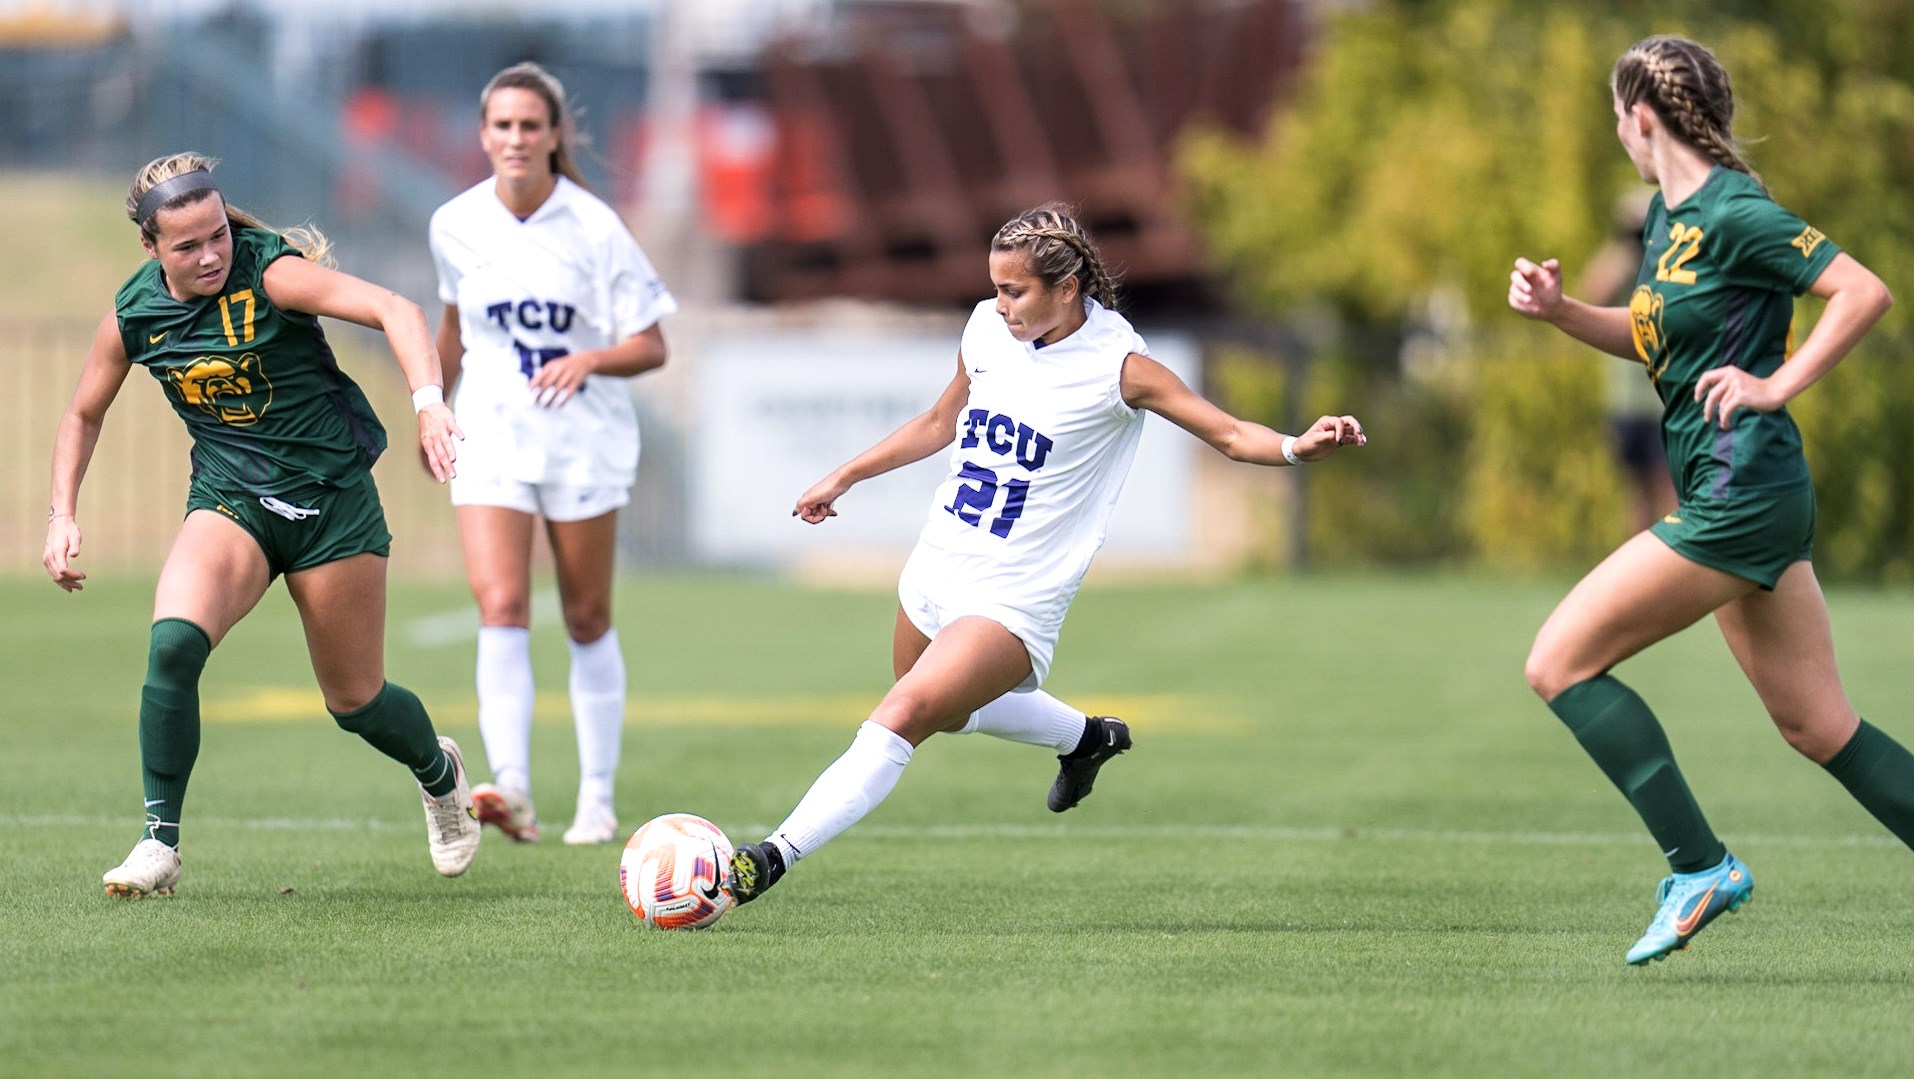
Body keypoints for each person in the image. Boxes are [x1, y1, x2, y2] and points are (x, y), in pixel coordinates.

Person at [723, 204, 1367, 906]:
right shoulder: (985, 329)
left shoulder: (1121, 368)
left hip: (1013, 593)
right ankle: (1086, 736)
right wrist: (845, 474)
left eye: (1015, 291)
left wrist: (1297, 446)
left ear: (1068, 287)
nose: (1000, 307)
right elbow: (942, 421)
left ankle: (768, 857)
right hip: (939, 559)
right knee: (941, 707)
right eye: (996, 288)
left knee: (903, 710)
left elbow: (1231, 433)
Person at [1509, 35, 1909, 965]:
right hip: (1739, 490)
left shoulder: (1735, 210)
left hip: (1740, 493)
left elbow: (1862, 290)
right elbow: (1661, 337)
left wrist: (1779, 383)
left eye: (1617, 119)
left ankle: (1698, 866)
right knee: (1819, 725)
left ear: (1640, 116)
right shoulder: (1666, 217)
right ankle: (1700, 867)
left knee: (1559, 661)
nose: (1619, 133)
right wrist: (1566, 313)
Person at [44, 152, 481, 898]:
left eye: (217, 234)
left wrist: (429, 400)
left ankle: (439, 774)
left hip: (331, 505)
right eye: (187, 245)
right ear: (150, 249)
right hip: (232, 502)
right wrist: (62, 514)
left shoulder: (271, 273)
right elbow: (84, 412)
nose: (211, 254)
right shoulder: (132, 315)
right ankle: (159, 841)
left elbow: (396, 311)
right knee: (173, 644)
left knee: (357, 702)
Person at [428, 62, 676, 846]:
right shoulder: (454, 223)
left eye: (529, 125)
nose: (515, 138)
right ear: (483, 134)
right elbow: (453, 328)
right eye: (501, 125)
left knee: (585, 614)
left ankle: (597, 798)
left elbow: (652, 344)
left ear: (555, 134)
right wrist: (430, 404)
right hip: (492, 433)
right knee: (499, 604)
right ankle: (515, 787)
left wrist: (590, 360)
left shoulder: (595, 226)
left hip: (583, 438)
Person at [1579, 191, 1678, 532]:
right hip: (1626, 401)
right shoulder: (1622, 264)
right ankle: (1641, 574)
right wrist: (1624, 245)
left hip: (1664, 401)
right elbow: (1591, 294)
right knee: (1636, 494)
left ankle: (1676, 573)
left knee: (1671, 491)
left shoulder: (1670, 261)